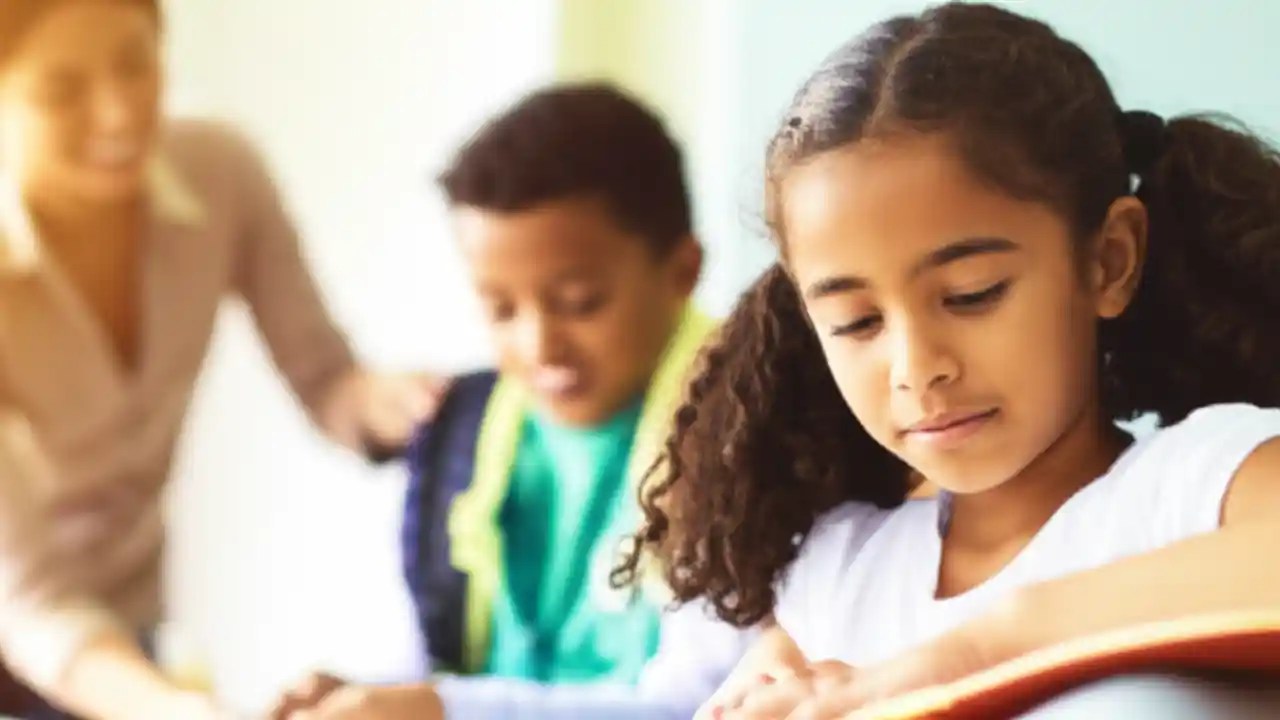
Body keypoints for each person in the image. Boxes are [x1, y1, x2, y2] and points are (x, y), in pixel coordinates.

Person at [615, 3, 1280, 718]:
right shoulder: (835, 584)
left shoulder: (1197, 484)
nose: (917, 367)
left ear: (1109, 261)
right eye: (857, 322)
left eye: (972, 295)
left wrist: (973, 653)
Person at [0, 1, 444, 718]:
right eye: (61, 91)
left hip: (127, 625)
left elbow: (328, 379)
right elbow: (31, 604)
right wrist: (181, 711)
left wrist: (411, 407)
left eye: (134, 63)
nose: (118, 114)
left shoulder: (219, 172)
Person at [270, 84, 750, 720]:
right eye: (500, 309)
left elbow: (703, 706)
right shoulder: (463, 434)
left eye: (581, 303)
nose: (539, 345)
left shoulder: (748, 435)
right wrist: (365, 697)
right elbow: (443, 661)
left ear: (681, 271)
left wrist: (445, 709)